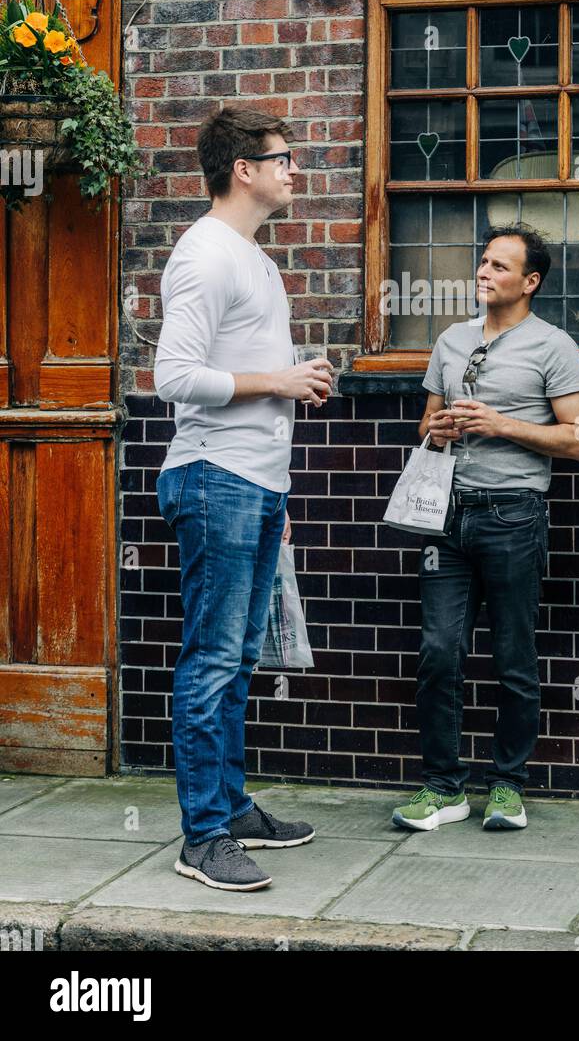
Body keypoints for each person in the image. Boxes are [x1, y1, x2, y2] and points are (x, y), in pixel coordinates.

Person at [153, 103, 334, 891]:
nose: (296, 170)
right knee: (212, 660)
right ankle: (203, 838)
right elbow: (172, 379)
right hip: (211, 477)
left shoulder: (255, 258)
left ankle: (231, 807)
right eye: (285, 157)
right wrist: (282, 379)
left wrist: (278, 492)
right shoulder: (204, 256)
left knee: (237, 662)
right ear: (245, 170)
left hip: (255, 485)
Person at [392, 224, 579, 833]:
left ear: (530, 282)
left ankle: (507, 787)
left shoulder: (554, 346)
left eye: (500, 267)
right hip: (447, 516)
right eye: (483, 262)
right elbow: (426, 421)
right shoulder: (450, 341)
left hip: (514, 516)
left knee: (513, 657)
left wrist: (502, 425)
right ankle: (443, 788)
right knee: (438, 653)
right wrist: (441, 429)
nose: (484, 273)